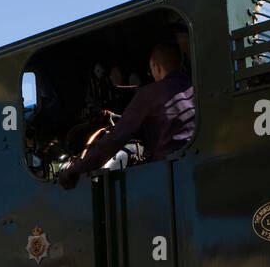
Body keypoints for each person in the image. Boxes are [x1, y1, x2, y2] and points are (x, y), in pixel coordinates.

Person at [58, 42, 195, 186]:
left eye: (151, 70)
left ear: (156, 67)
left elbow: (115, 139)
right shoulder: (195, 87)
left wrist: (75, 170)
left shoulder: (149, 94)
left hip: (168, 175)